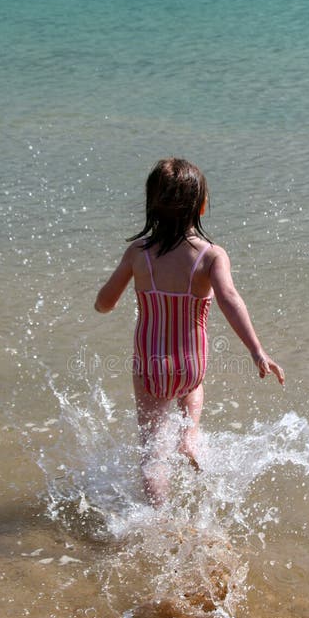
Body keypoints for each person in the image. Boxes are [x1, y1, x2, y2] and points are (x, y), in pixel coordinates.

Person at [95, 158, 284, 505]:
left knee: (152, 451)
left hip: (150, 365)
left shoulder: (138, 253)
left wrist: (102, 303)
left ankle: (158, 516)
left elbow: (105, 302)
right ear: (202, 206)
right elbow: (230, 299)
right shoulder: (211, 256)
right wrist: (257, 350)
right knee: (192, 388)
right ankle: (189, 438)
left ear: (151, 205)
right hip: (191, 365)